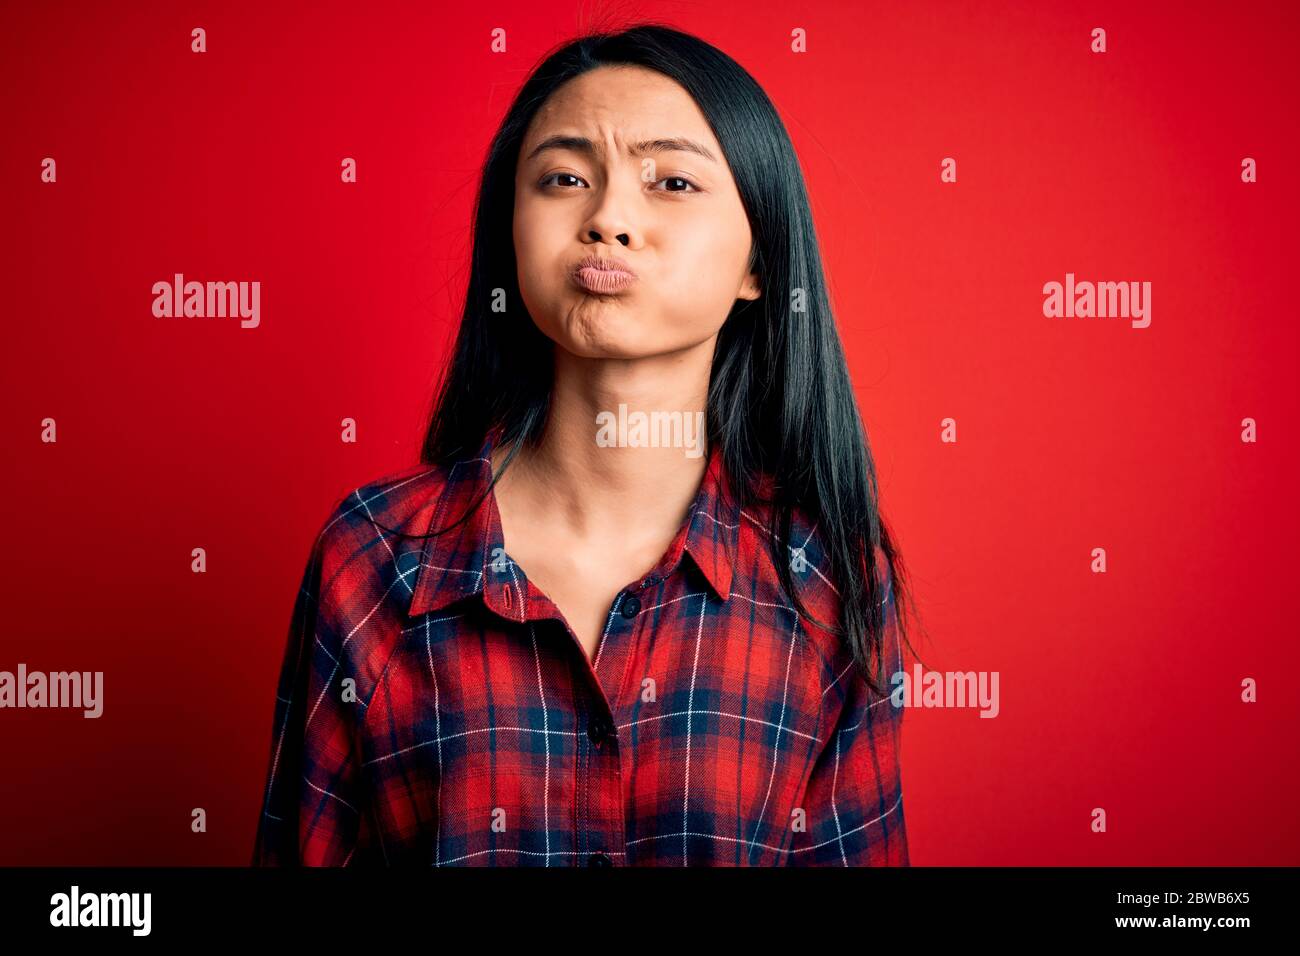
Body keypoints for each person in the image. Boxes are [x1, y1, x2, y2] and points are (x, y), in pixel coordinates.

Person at [252, 22, 918, 867]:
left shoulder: (825, 582)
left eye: (671, 181)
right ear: (510, 235)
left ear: (760, 262)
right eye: (565, 178)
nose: (607, 218)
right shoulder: (376, 560)